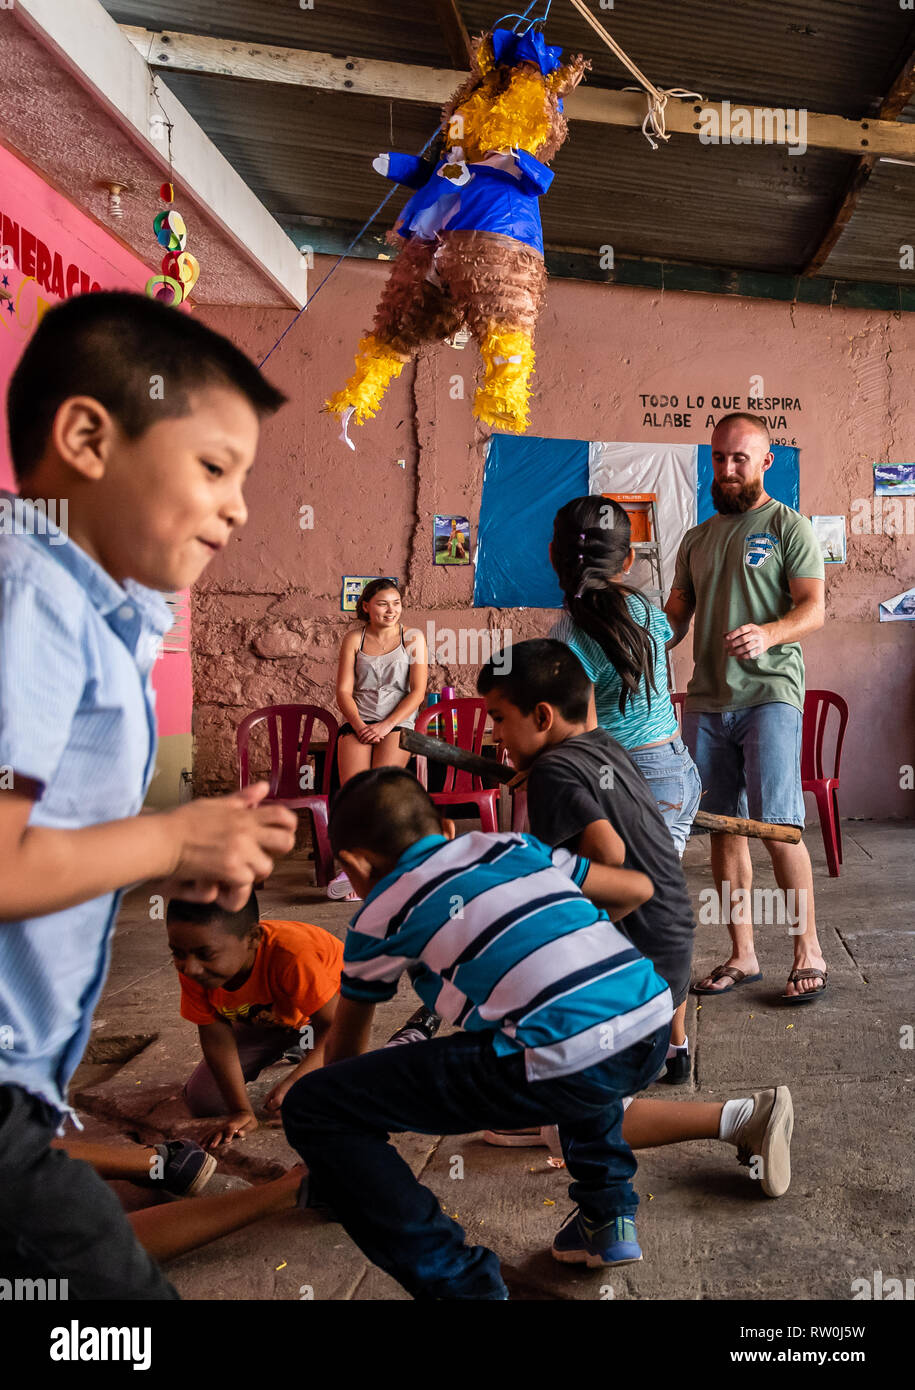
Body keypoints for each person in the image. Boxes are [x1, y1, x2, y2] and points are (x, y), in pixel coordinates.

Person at [0, 291, 298, 1300]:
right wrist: (171, 841)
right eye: (215, 466)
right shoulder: (28, 594)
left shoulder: (93, 615)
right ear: (86, 436)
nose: (239, 505)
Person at [283, 766, 676, 1296]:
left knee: (317, 1106)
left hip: (560, 1058)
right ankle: (606, 1218)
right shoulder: (509, 845)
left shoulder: (379, 913)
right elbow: (634, 887)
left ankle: (462, 1286)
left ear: (353, 864)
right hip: (651, 1023)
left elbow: (346, 1058)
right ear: (446, 829)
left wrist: (344, 1164)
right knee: (570, 1027)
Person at [479, 639, 698, 1086]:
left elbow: (609, 855)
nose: (496, 736)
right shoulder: (604, 747)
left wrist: (571, 944)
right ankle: (672, 1049)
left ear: (542, 716)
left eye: (499, 719)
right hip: (671, 964)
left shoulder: (553, 773)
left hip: (635, 999)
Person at [665, 414, 828, 1004]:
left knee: (778, 826)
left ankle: (807, 948)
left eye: (740, 458)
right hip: (707, 700)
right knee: (722, 830)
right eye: (718, 457)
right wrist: (641, 639)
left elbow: (814, 609)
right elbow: (675, 615)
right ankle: (743, 954)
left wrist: (771, 633)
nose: (728, 468)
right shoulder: (697, 538)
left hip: (770, 696)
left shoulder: (789, 527)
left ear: (766, 462)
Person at [548, 495, 702, 1080]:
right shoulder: (646, 611)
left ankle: (626, 1046)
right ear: (629, 556)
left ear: (553, 555)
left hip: (621, 781)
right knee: (651, 912)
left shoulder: (566, 632)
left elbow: (581, 728)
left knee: (623, 916)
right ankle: (670, 1047)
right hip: (669, 774)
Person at [168, 892, 342, 1148]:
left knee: (329, 1096)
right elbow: (215, 1034)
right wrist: (241, 1110)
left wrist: (298, 1083)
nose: (190, 968)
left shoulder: (292, 953)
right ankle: (288, 1042)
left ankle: (303, 1046)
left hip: (326, 1019)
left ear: (253, 938)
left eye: (206, 954)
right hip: (268, 1020)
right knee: (205, 1101)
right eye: (178, 953)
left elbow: (335, 1027)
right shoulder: (193, 966)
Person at [328, 577, 428, 900]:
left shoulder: (413, 638)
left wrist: (386, 725)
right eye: (383, 604)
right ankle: (352, 868)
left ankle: (386, 869)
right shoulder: (353, 639)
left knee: (384, 792)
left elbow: (417, 692)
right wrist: (358, 725)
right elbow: (343, 691)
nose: (391, 610)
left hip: (396, 723)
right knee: (354, 794)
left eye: (396, 603)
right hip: (360, 722)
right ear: (366, 606)